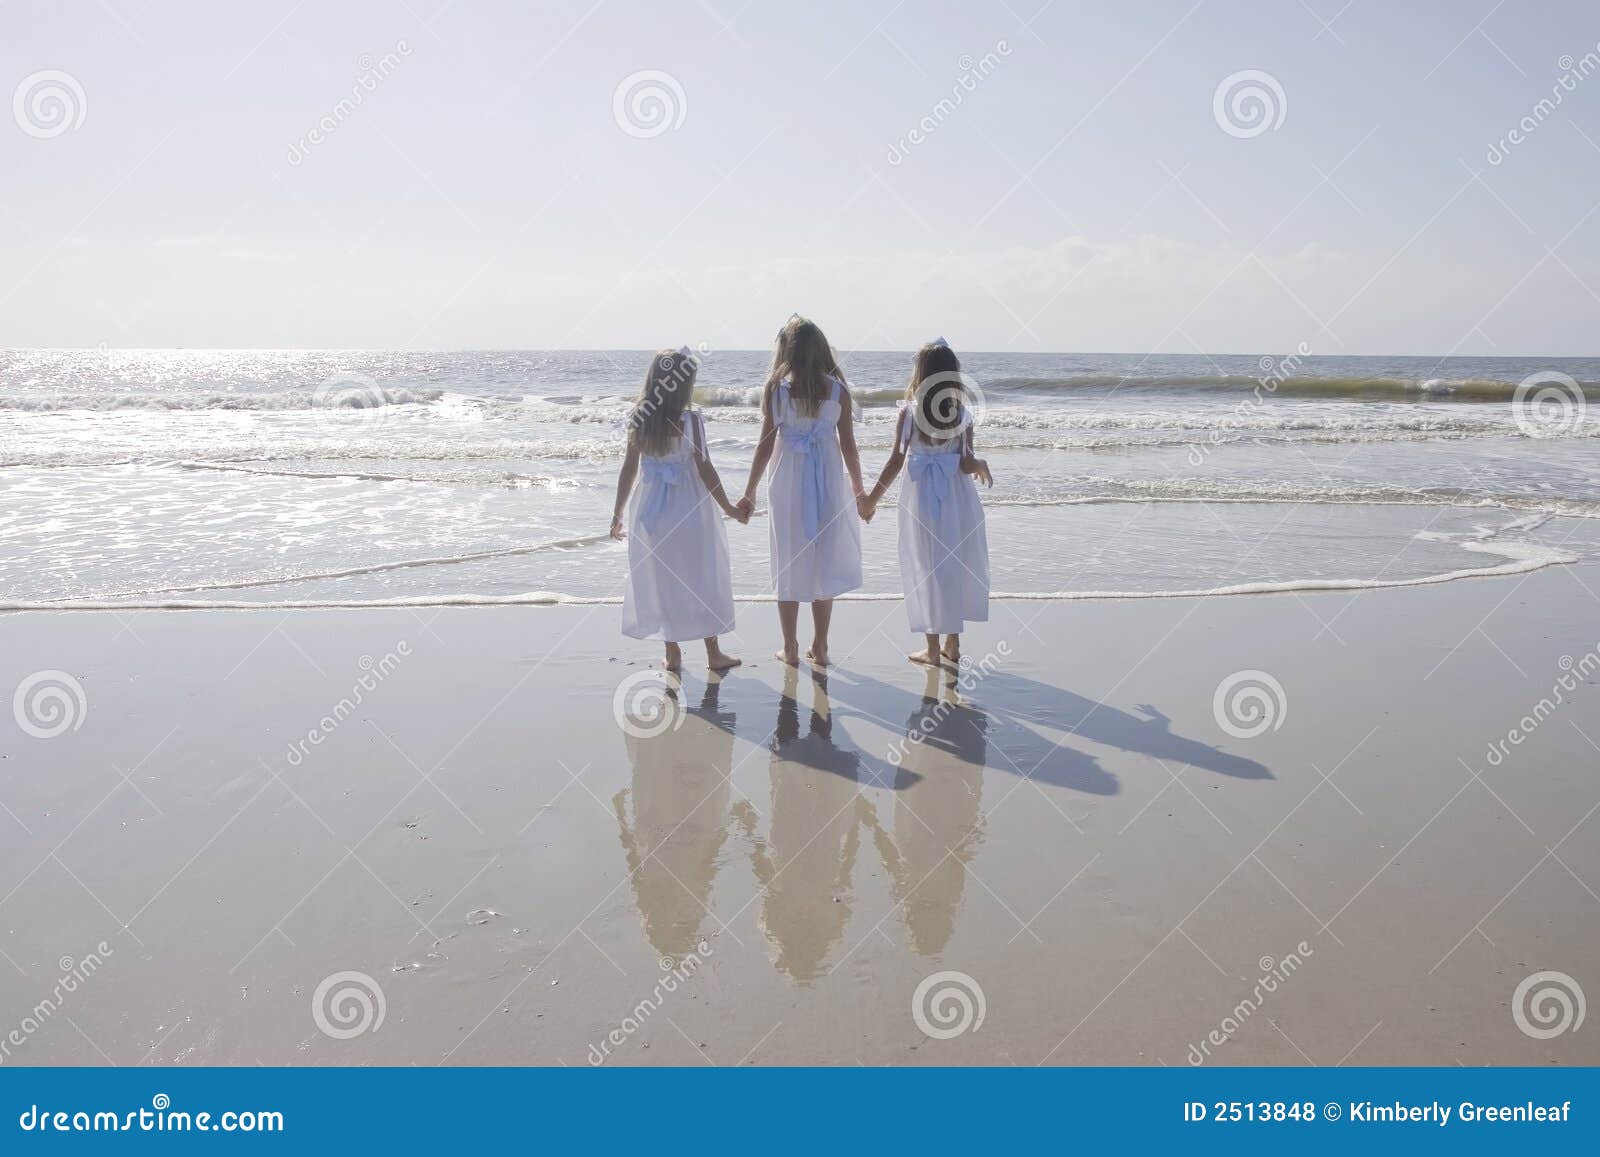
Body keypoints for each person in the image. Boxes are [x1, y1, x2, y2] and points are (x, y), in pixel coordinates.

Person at [736, 316, 864, 666]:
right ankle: (820, 646)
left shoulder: (777, 390)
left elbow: (764, 446)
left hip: (788, 480)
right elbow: (849, 445)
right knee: (824, 557)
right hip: (827, 480)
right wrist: (858, 488)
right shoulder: (838, 390)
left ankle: (790, 647)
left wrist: (750, 491)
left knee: (789, 558)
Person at [611, 347, 746, 672]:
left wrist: (617, 514)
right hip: (690, 507)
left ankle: (672, 653)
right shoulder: (691, 421)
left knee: (662, 577)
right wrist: (728, 506)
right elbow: (705, 468)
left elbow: (629, 470)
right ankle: (713, 652)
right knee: (701, 574)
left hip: (651, 508)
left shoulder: (639, 419)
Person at [859, 338, 992, 667]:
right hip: (957, 498)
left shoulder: (909, 413)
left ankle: (932, 649)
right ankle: (953, 644)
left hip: (920, 497)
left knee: (925, 566)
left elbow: (895, 461)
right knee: (954, 562)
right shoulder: (962, 413)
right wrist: (979, 465)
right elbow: (964, 462)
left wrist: (870, 500)